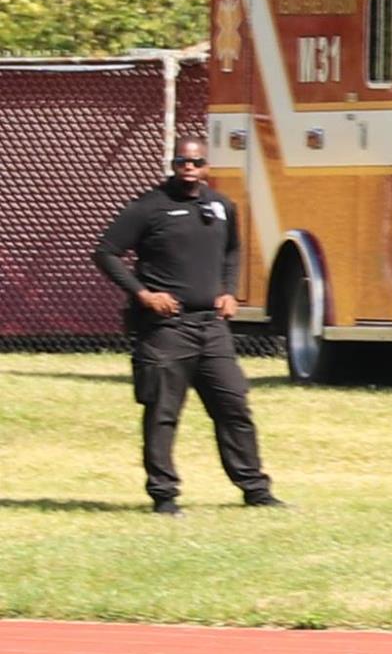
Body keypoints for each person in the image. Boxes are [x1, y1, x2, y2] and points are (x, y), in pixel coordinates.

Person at [91, 139, 281, 516]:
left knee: (234, 406)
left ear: (206, 166)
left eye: (197, 161)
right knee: (163, 412)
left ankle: (256, 490)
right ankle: (164, 495)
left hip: (212, 329)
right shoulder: (149, 206)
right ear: (173, 164)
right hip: (167, 329)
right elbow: (105, 252)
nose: (189, 167)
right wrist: (144, 295)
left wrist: (228, 291)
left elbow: (232, 250)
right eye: (182, 161)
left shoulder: (220, 206)